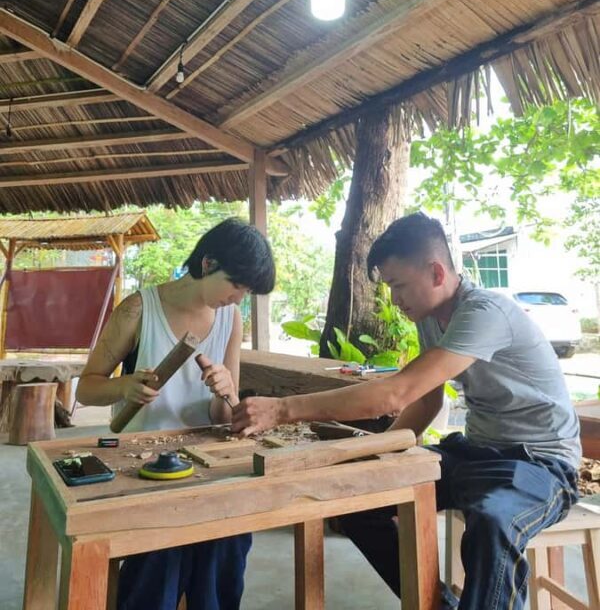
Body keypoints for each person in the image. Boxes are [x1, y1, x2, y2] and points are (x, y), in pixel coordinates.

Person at [231, 212, 580, 610]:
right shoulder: (432, 319)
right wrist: (378, 458)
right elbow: (426, 399)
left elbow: (397, 393)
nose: (395, 300)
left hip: (540, 464)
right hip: (477, 453)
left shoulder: (484, 312)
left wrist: (282, 409)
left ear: (435, 272)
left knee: (492, 522)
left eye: (398, 285)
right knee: (358, 500)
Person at [77, 218, 275, 610]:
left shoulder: (229, 318)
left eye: (247, 291)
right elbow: (86, 387)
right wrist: (124, 386)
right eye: (236, 285)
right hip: (143, 466)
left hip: (207, 464)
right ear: (207, 263)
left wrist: (226, 392)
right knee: (156, 573)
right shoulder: (139, 309)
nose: (238, 298)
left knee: (227, 553)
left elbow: (226, 416)